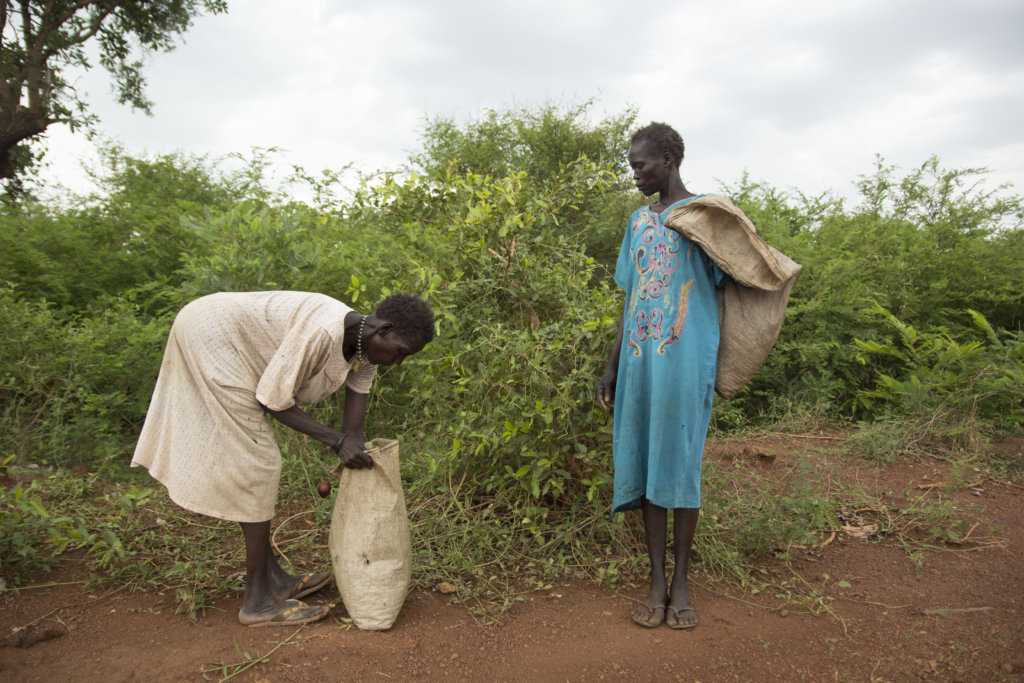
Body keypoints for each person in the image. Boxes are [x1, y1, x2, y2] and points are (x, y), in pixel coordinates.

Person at [131, 290, 435, 627]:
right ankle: (258, 601)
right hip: (210, 333)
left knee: (256, 460)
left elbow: (353, 429)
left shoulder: (365, 353)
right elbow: (273, 400)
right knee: (258, 463)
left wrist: (358, 463)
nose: (398, 362)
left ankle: (274, 580)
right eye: (401, 352)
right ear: (384, 329)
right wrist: (337, 443)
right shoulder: (324, 333)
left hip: (227, 341)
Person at [596, 123, 727, 630]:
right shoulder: (636, 223)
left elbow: (734, 285)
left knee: (681, 466)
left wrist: (728, 364)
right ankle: (655, 580)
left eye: (641, 165)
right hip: (638, 360)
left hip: (685, 362)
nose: (635, 175)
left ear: (669, 160)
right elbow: (631, 300)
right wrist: (611, 368)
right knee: (648, 464)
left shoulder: (704, 219)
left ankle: (682, 583)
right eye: (632, 166)